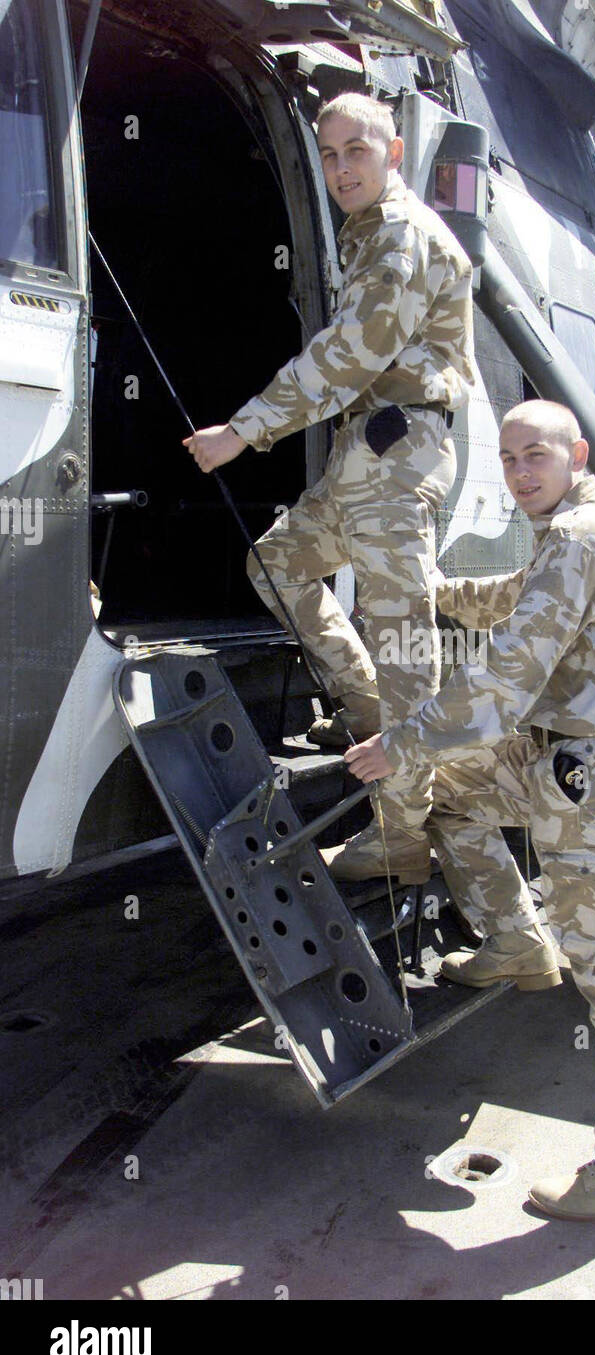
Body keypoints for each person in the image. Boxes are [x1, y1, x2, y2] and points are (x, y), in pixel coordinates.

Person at [342, 400, 595, 1221]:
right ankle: (517, 941)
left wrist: (405, 740)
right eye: (510, 459)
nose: (522, 474)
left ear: (576, 456)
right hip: (559, 758)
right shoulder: (573, 532)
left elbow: (504, 679)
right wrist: (440, 590)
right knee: (451, 797)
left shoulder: (580, 537)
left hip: (588, 779)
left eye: (537, 456)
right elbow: (518, 598)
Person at [182, 92, 474, 874]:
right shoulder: (369, 234)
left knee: (406, 644)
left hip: (397, 459)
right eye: (331, 154)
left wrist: (240, 433)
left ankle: (404, 835)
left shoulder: (401, 239)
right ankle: (365, 707)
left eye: (359, 152)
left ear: (394, 154)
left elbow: (351, 354)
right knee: (276, 564)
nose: (342, 169)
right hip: (363, 459)